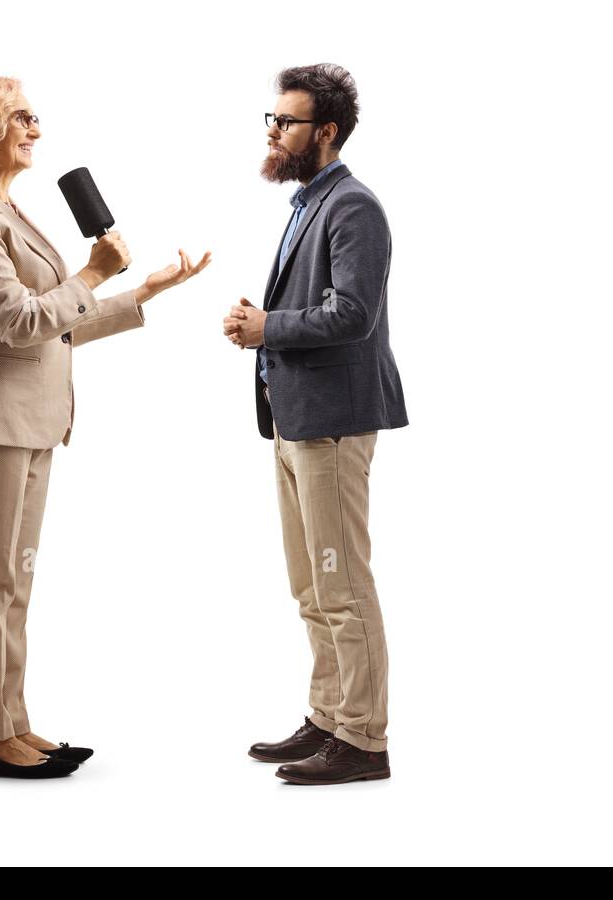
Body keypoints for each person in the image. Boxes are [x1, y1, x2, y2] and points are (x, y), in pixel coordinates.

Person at [0, 76, 210, 779]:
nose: (36, 129)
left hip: (37, 421)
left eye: (36, 117)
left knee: (14, 581)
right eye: (21, 117)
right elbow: (17, 323)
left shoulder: (8, 209)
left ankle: (14, 722)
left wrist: (140, 291)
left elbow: (57, 327)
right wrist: (92, 270)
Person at [224, 64, 407, 785]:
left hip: (333, 421)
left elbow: (354, 315)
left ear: (324, 131)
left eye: (287, 121)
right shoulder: (308, 202)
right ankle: (330, 717)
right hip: (296, 418)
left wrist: (269, 325)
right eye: (270, 119)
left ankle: (364, 739)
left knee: (342, 583)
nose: (274, 131)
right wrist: (265, 329)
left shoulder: (354, 206)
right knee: (310, 585)